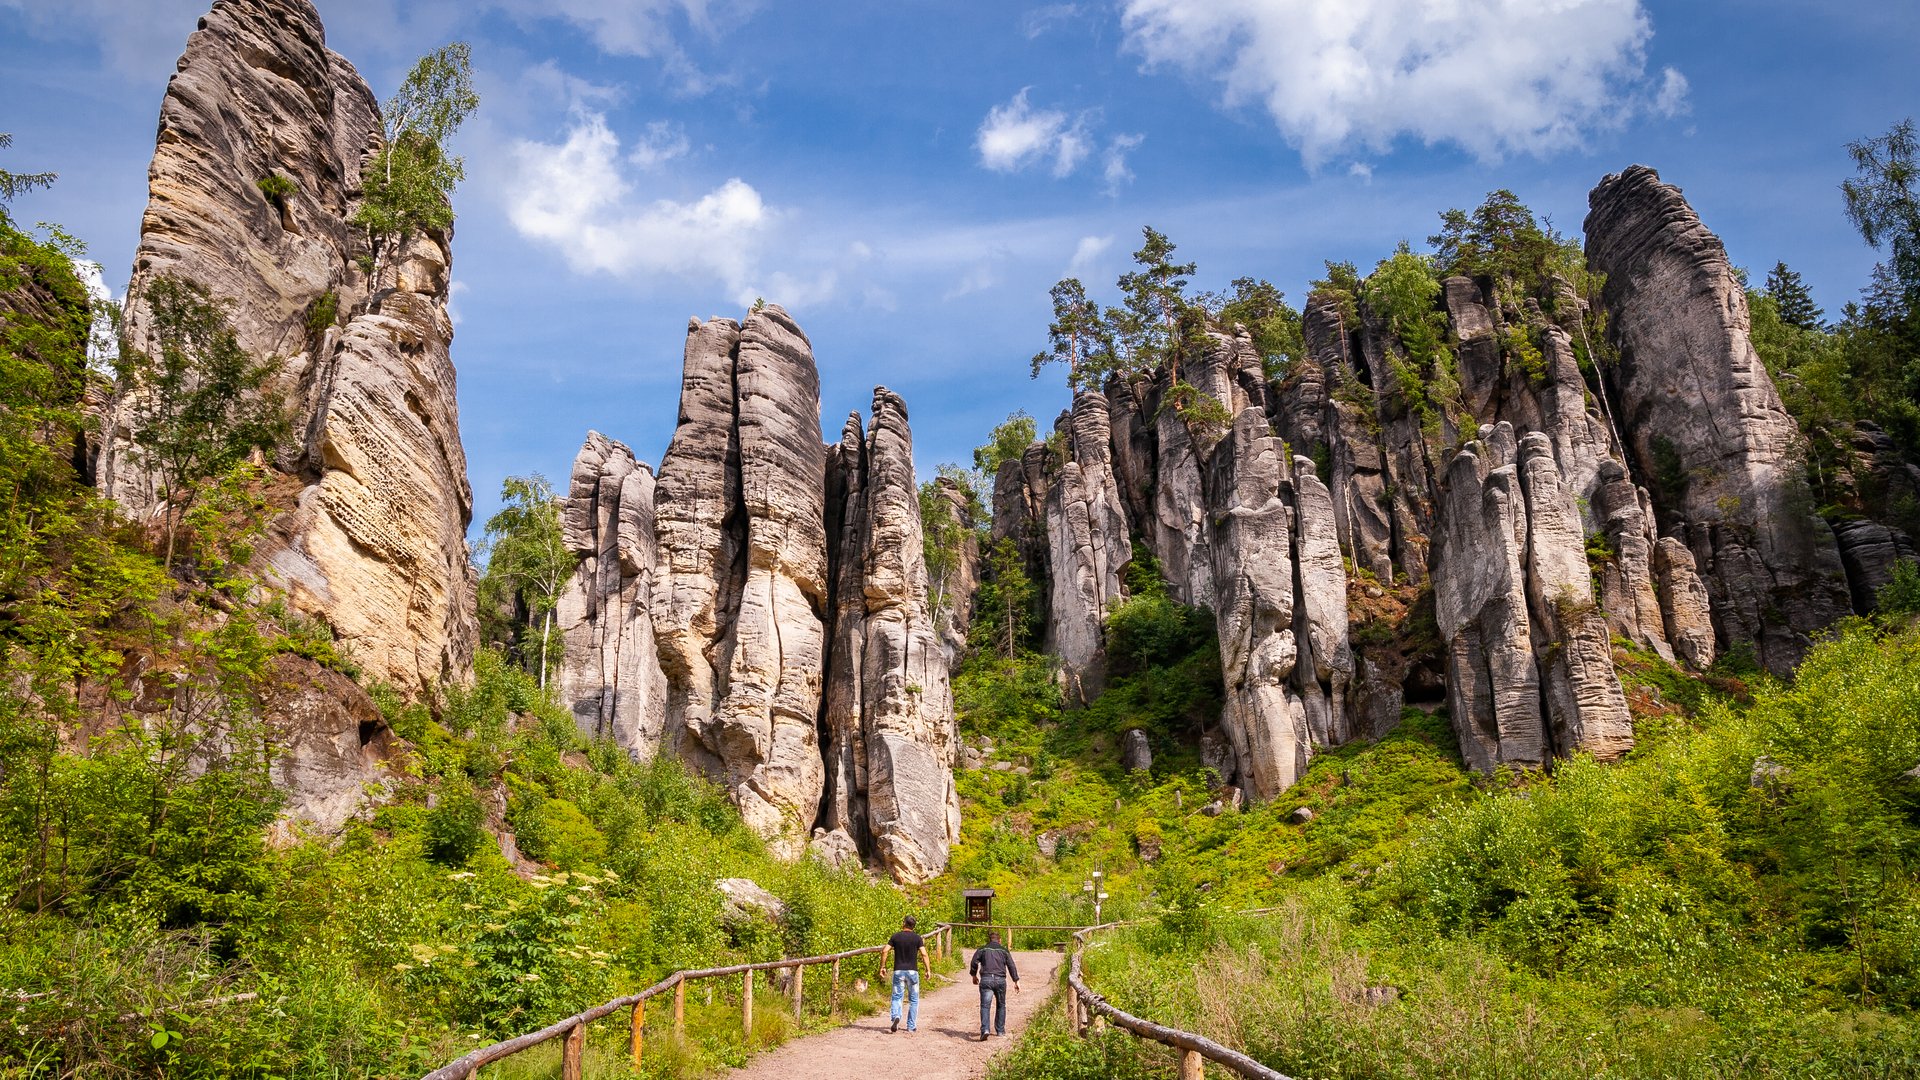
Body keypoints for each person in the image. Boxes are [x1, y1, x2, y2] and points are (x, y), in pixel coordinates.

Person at [969, 929, 1021, 1040]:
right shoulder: (1004, 950)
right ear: (999, 940)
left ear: (989, 940)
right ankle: (1000, 1031)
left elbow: (974, 962)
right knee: (1001, 1005)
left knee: (985, 1005)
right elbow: (1011, 965)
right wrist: (1016, 980)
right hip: (1000, 980)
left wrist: (974, 975)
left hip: (986, 979)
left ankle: (985, 1029)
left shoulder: (983, 949)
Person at [881, 915, 928, 1033]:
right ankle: (911, 1026)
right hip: (913, 972)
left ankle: (896, 1016)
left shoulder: (896, 936)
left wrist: (883, 966)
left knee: (897, 997)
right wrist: (928, 969)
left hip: (898, 971)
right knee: (914, 999)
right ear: (913, 926)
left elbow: (885, 950)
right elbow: (924, 954)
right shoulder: (917, 938)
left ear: (904, 923)